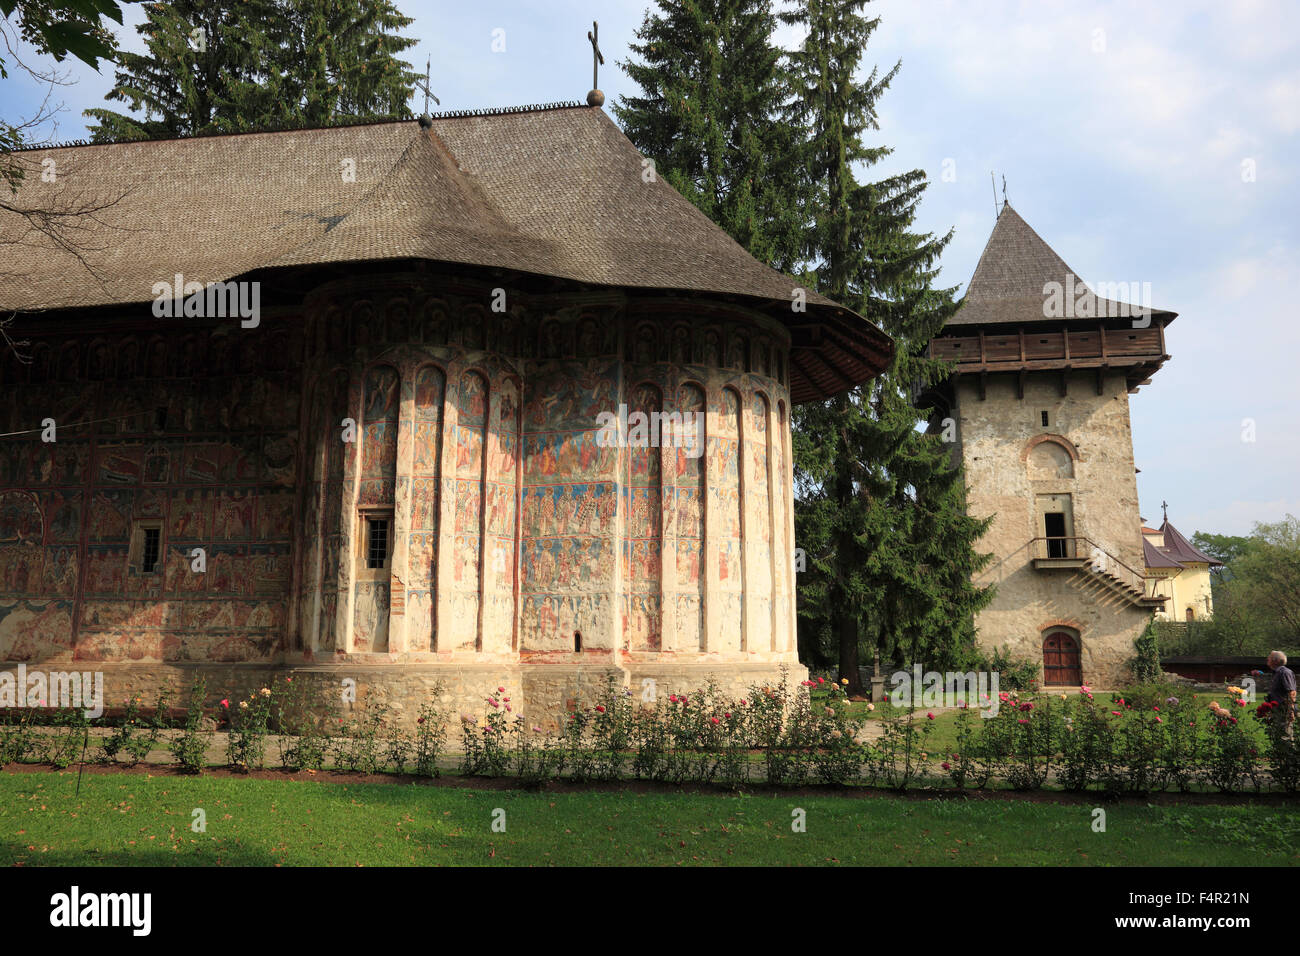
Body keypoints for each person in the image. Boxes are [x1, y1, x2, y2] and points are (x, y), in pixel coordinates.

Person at [1265, 650, 1296, 728]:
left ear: (1276, 661)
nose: (1267, 658)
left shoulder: (1285, 672)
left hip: (1284, 710)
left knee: (1285, 735)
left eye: (1270, 657)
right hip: (1276, 710)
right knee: (1278, 734)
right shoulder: (1277, 673)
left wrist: (1291, 711)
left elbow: (1291, 692)